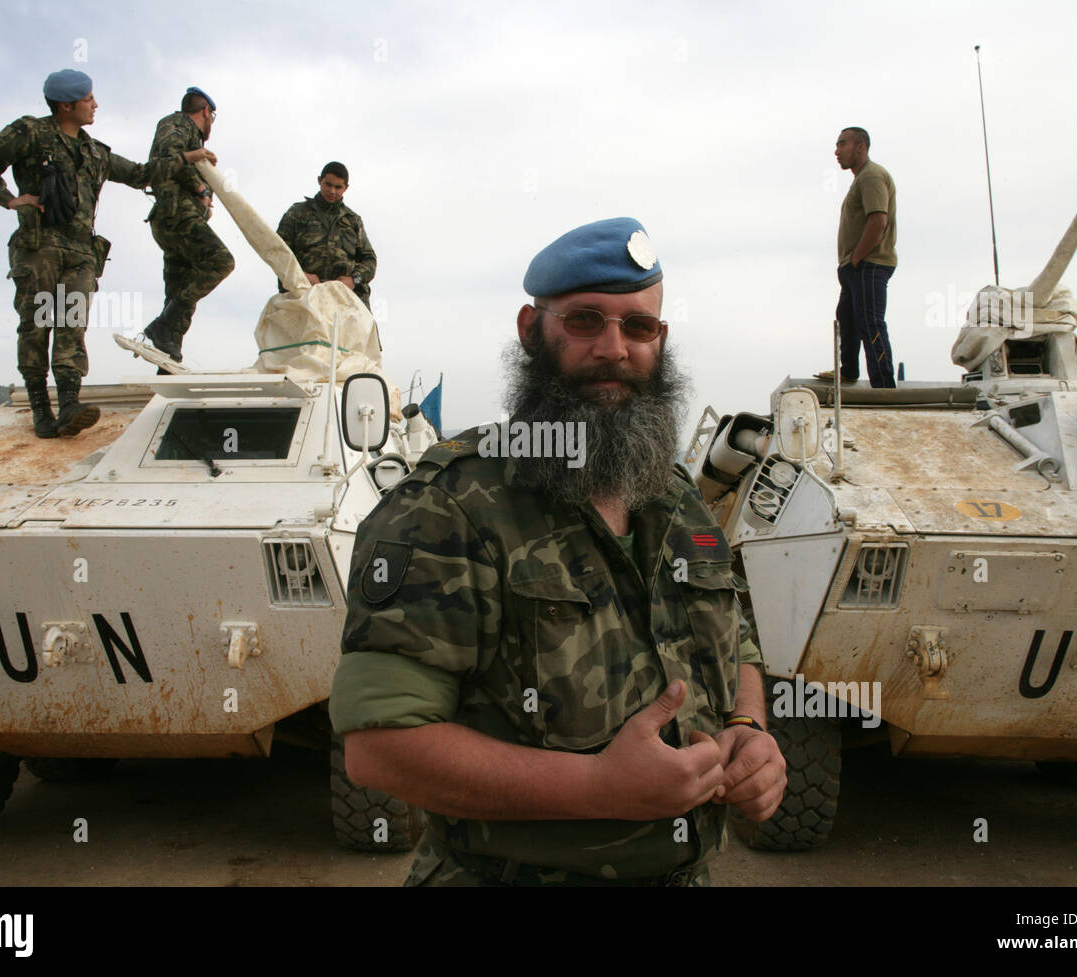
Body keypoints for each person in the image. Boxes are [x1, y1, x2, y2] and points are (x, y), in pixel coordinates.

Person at [329, 217, 786, 886]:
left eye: (638, 327)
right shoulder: (451, 505)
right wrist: (597, 787)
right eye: (584, 322)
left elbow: (737, 642)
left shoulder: (678, 494)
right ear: (530, 330)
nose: (614, 348)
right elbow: (380, 748)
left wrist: (749, 729)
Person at [0, 69, 155, 438]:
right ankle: (41, 410)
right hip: (40, 248)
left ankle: (69, 404)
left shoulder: (94, 152)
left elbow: (139, 174)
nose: (95, 105)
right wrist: (10, 199)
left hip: (81, 252)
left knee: (72, 324)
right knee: (37, 324)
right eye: (89, 99)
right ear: (66, 104)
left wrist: (186, 161)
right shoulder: (30, 133)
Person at [143, 87, 234, 367]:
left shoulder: (189, 137)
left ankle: (168, 363)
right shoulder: (178, 124)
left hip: (175, 217)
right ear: (206, 111)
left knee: (180, 294)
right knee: (221, 261)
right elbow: (169, 159)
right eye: (212, 117)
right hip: (176, 215)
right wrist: (199, 186)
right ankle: (162, 325)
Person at [817, 126, 897, 388]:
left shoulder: (872, 176)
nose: (837, 151)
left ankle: (884, 385)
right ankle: (848, 371)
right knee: (847, 320)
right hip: (855, 267)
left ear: (860, 146)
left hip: (869, 265)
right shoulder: (861, 178)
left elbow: (878, 220)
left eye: (843, 144)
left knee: (870, 324)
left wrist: (857, 258)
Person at [275, 162, 376, 308]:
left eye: (338, 187)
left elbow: (369, 260)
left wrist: (354, 280)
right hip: (304, 297)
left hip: (346, 301)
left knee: (363, 327)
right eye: (328, 185)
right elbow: (278, 252)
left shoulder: (353, 221)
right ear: (319, 181)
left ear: (346, 188)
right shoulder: (297, 214)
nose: (332, 191)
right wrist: (301, 275)